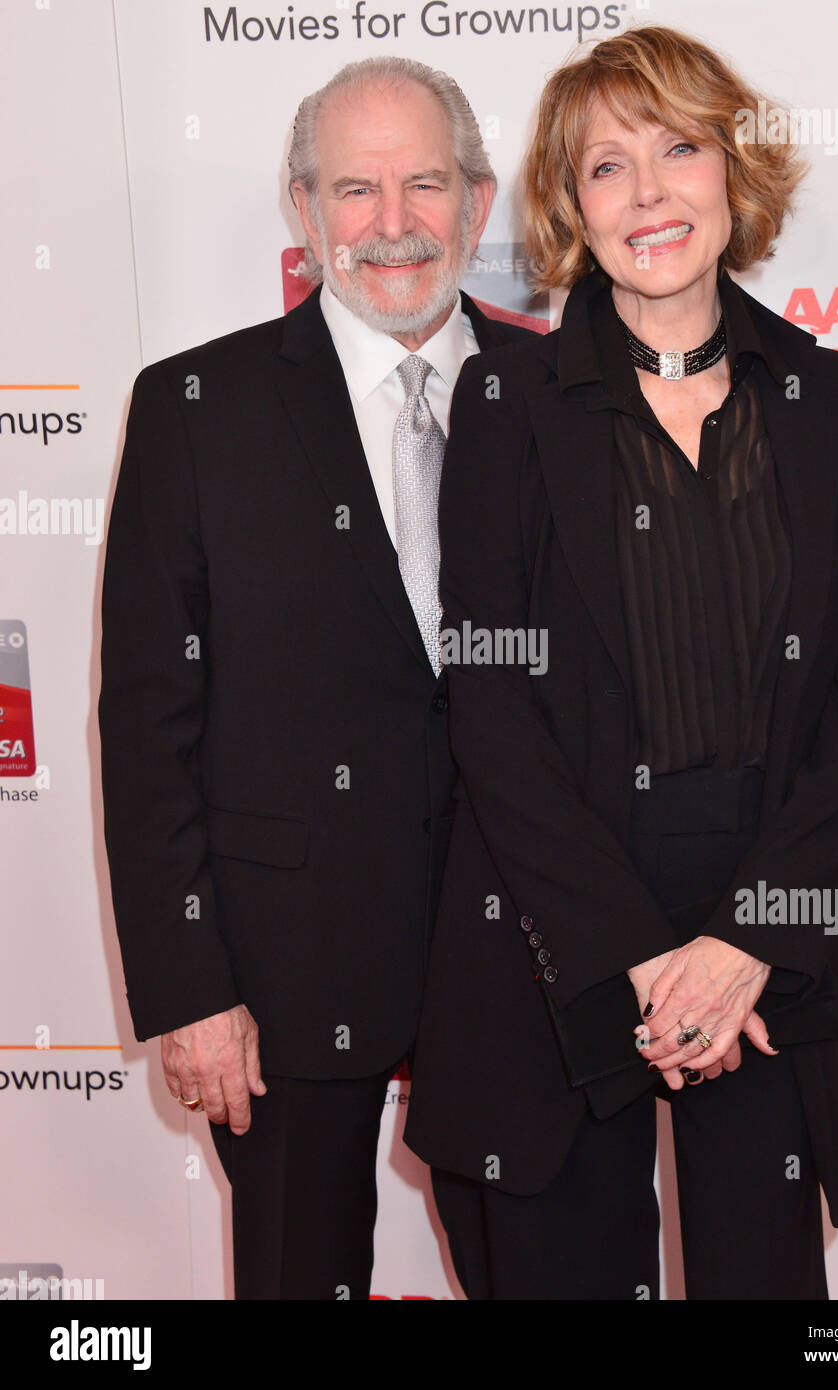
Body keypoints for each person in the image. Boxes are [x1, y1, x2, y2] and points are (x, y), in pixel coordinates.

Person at [403, 25, 838, 1300]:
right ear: (568, 209)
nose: (646, 194)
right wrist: (636, 956)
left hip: (767, 910)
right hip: (559, 919)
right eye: (604, 166)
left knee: (762, 1279)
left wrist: (745, 939)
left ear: (731, 173)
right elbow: (489, 696)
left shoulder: (837, 403)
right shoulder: (502, 407)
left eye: (677, 150)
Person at [98, 56, 530, 1299]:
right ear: (302, 209)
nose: (390, 225)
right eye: (352, 188)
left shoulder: (558, 397)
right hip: (283, 963)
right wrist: (189, 987)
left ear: (479, 198)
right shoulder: (194, 407)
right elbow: (147, 719)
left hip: (520, 950)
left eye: (423, 184)